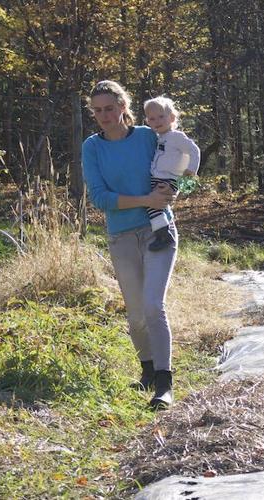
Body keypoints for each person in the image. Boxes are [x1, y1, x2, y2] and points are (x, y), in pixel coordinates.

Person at [81, 80, 177, 410]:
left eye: (110, 108)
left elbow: (181, 162)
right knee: (136, 316)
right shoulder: (93, 147)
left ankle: (164, 384)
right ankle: (147, 371)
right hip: (120, 236)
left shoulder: (149, 137)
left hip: (158, 230)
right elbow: (100, 198)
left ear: (123, 106)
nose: (104, 116)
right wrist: (144, 198)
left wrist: (176, 187)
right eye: (97, 111)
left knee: (153, 305)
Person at [143, 96, 200, 252]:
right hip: (159, 177)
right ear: (148, 122)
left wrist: (191, 171)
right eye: (152, 118)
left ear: (172, 117)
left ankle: (164, 236)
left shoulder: (176, 137)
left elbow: (194, 150)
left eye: (161, 116)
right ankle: (162, 234)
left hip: (168, 179)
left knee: (154, 206)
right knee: (152, 206)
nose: (157, 121)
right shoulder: (160, 138)